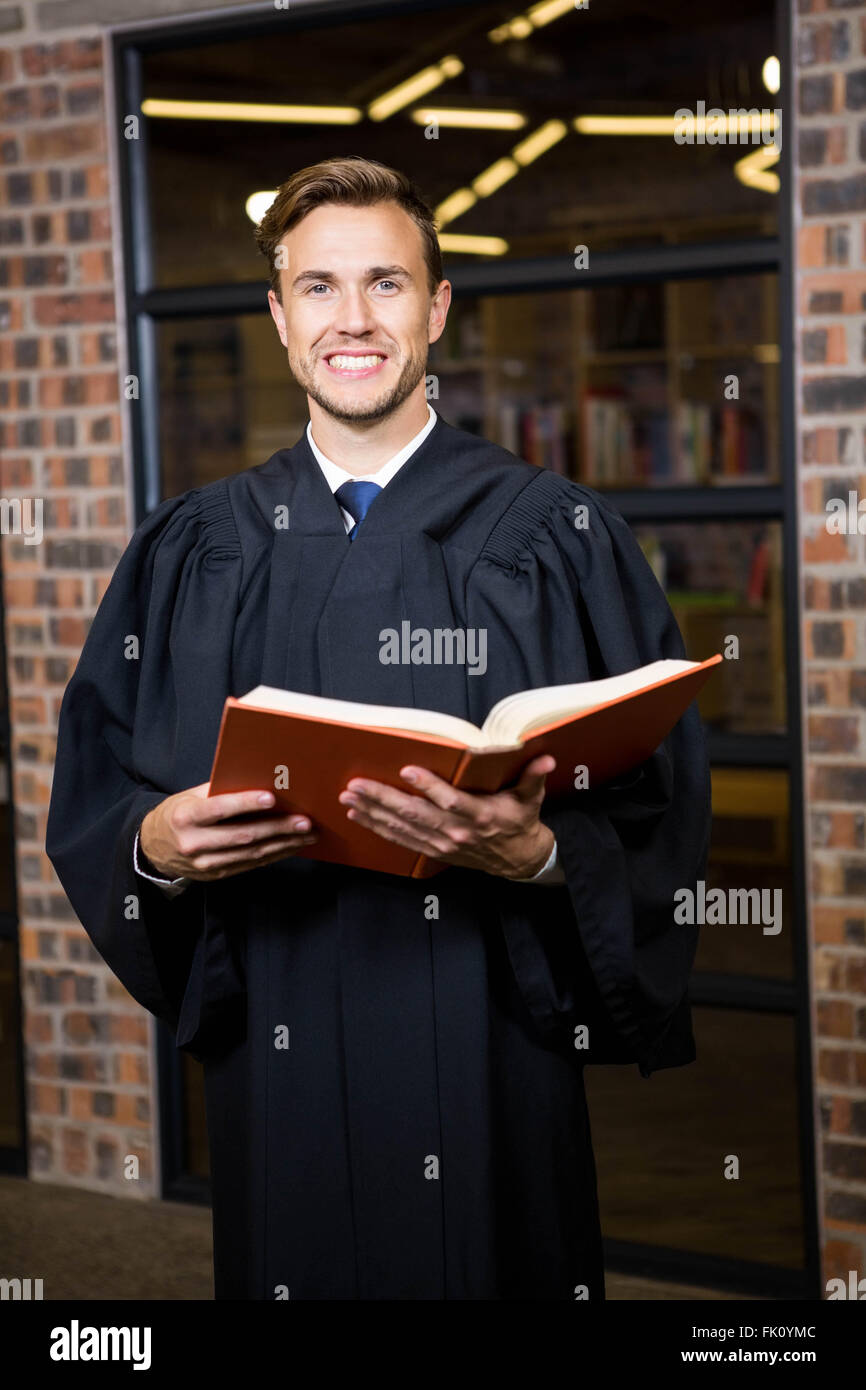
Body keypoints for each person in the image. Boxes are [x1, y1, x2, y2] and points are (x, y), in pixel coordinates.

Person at [46, 156, 711, 1301]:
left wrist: (545, 855)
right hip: (282, 1040)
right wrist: (154, 846)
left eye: (387, 285)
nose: (352, 320)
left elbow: (659, 806)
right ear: (277, 315)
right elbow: (100, 789)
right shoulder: (196, 550)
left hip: (495, 1041)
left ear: (437, 306)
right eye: (318, 288)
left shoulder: (554, 535)